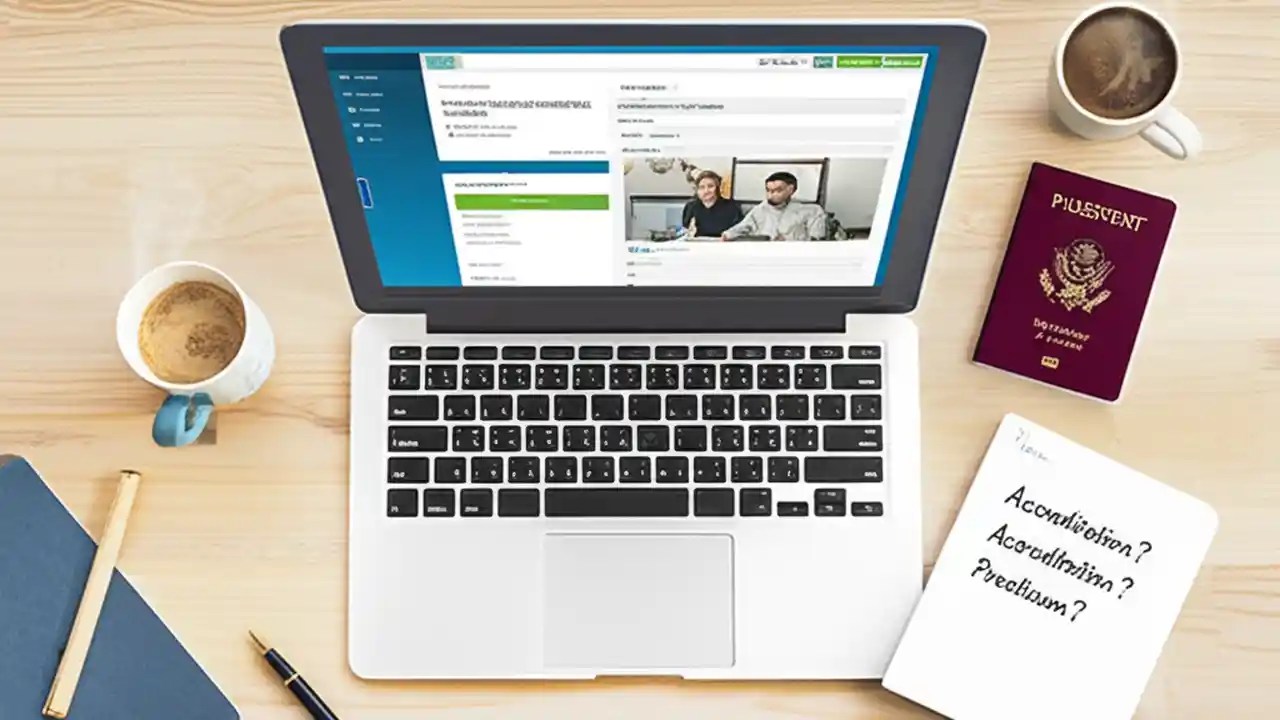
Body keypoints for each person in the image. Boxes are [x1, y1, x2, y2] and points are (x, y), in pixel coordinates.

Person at [721, 171, 827, 242]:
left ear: (791, 189)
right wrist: (728, 235)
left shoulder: (811, 210)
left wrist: (788, 242)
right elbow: (743, 227)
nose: (771, 195)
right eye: (768, 190)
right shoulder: (761, 209)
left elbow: (816, 241)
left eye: (778, 191)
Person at [681, 170, 743, 238]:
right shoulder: (690, 207)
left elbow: (739, 232)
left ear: (717, 188)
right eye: (702, 187)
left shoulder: (732, 207)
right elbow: (685, 232)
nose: (706, 191)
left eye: (710, 186)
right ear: (697, 190)